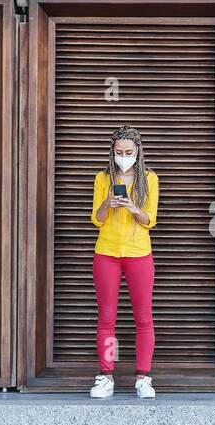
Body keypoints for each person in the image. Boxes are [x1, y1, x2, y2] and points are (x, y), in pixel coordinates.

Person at [88, 125, 160, 399]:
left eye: (129, 152)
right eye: (119, 152)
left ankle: (143, 377)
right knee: (107, 317)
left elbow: (149, 220)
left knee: (143, 317)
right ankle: (106, 376)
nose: (124, 157)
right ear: (112, 152)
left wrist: (133, 208)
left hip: (139, 253)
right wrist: (108, 203)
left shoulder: (150, 179)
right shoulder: (102, 178)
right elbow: (97, 219)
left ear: (138, 151)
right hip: (106, 252)